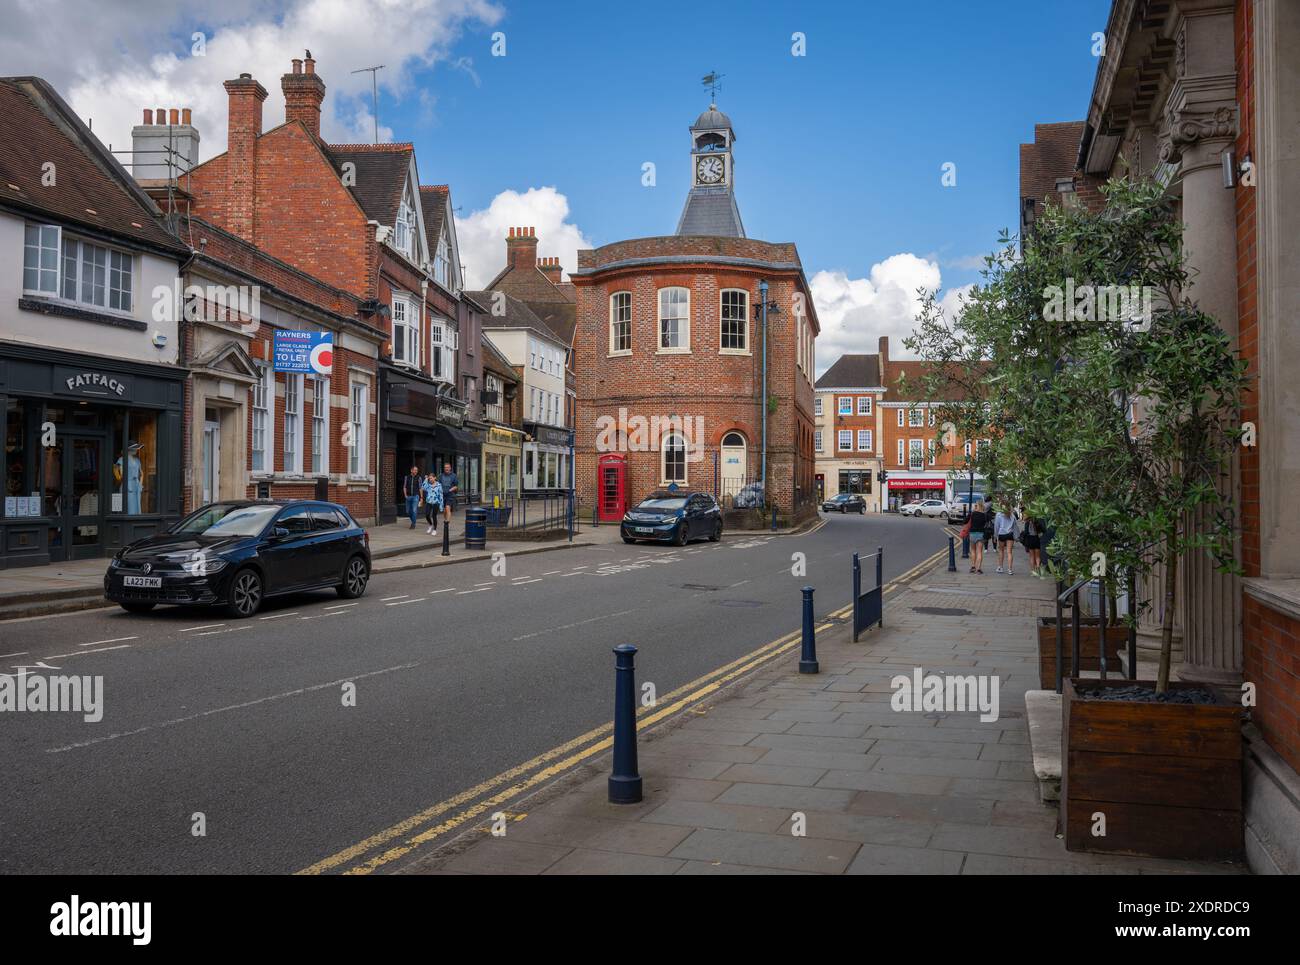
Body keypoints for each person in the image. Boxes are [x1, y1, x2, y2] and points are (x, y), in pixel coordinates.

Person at [994, 502, 1019, 575]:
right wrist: (1016, 536)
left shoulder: (998, 514)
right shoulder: (1012, 515)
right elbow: (1015, 526)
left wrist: (995, 536)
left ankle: (1000, 567)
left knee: (1001, 550)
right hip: (1010, 534)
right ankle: (1010, 569)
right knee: (1009, 552)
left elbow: (996, 526)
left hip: (1001, 534)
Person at [966, 498, 988, 574]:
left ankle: (973, 567)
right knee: (979, 552)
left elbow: (965, 521)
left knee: (973, 551)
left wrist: (972, 511)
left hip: (972, 534)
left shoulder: (972, 513)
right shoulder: (984, 515)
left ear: (977, 506)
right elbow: (986, 524)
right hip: (981, 534)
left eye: (976, 505)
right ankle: (978, 569)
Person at [437, 461, 459, 531]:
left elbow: (456, 486)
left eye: (448, 467)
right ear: (444, 468)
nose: (446, 468)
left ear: (450, 468)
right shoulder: (441, 476)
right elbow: (438, 485)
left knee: (447, 508)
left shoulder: (454, 476)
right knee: (444, 510)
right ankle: (445, 520)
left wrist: (451, 490)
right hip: (442, 495)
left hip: (450, 494)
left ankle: (447, 522)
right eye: (445, 467)